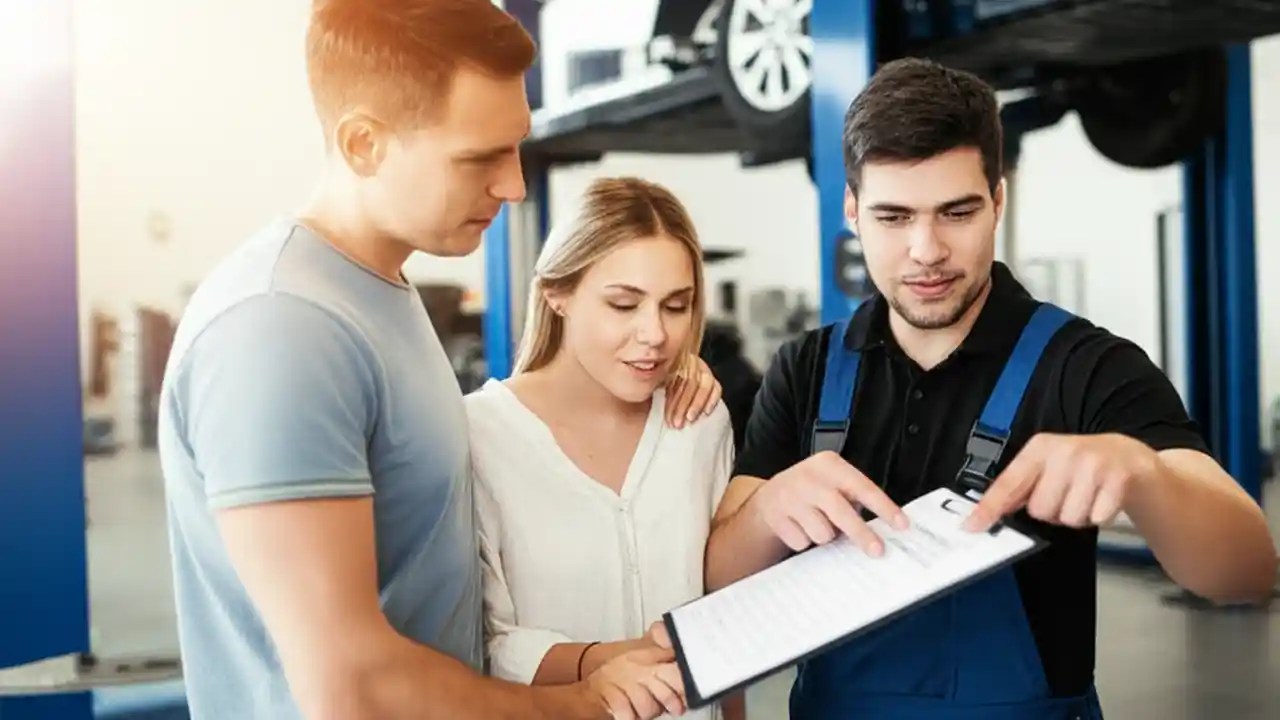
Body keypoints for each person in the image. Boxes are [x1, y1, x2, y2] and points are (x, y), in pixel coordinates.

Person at [155, 2, 720, 719]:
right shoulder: (281, 329)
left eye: (515, 149)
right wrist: (582, 703)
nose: (514, 186)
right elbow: (353, 685)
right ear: (363, 143)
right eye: (479, 158)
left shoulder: (378, 294)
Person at [702, 57, 1278, 719]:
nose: (926, 250)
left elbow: (1245, 574)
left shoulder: (1087, 367)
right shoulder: (805, 370)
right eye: (894, 217)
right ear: (853, 212)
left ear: (998, 201)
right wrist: (767, 512)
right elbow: (717, 587)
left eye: (956, 212)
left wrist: (1145, 475)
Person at [464, 177, 747, 720]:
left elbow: (719, 615)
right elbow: (485, 642)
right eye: (623, 304)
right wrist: (617, 659)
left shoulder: (700, 423)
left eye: (676, 306)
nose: (655, 334)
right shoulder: (479, 435)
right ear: (558, 294)